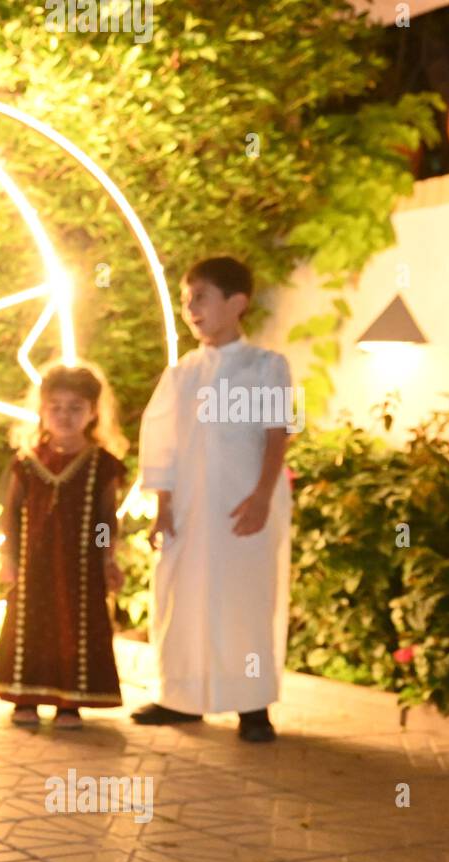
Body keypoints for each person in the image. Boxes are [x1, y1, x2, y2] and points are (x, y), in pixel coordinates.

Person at [132, 255, 294, 743]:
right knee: (180, 597)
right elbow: (160, 443)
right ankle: (181, 697)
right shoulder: (181, 373)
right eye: (185, 301)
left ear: (236, 302)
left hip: (245, 504)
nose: (190, 309)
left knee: (244, 598)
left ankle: (252, 704)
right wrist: (162, 509)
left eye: (200, 297)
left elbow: (278, 433)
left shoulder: (266, 365)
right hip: (188, 508)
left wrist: (263, 495)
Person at [0, 363, 128, 729]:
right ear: (42, 410)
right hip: (33, 566)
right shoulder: (28, 462)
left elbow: (105, 520)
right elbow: (10, 515)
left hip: (79, 569)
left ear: (93, 412)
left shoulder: (102, 465)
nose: (65, 415)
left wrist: (107, 558)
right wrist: (9, 559)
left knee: (75, 626)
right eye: (56, 407)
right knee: (30, 626)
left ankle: (71, 700)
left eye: (75, 407)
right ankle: (27, 696)